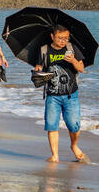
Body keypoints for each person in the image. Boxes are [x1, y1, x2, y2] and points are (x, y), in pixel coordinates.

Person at [35, 23, 87, 163]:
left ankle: (74, 146)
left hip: (71, 95)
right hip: (52, 95)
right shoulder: (44, 50)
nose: (64, 41)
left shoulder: (72, 48)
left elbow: (81, 68)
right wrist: (38, 69)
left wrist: (74, 61)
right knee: (52, 125)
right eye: (60, 38)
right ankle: (55, 155)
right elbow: (39, 68)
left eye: (66, 38)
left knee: (74, 126)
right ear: (52, 36)